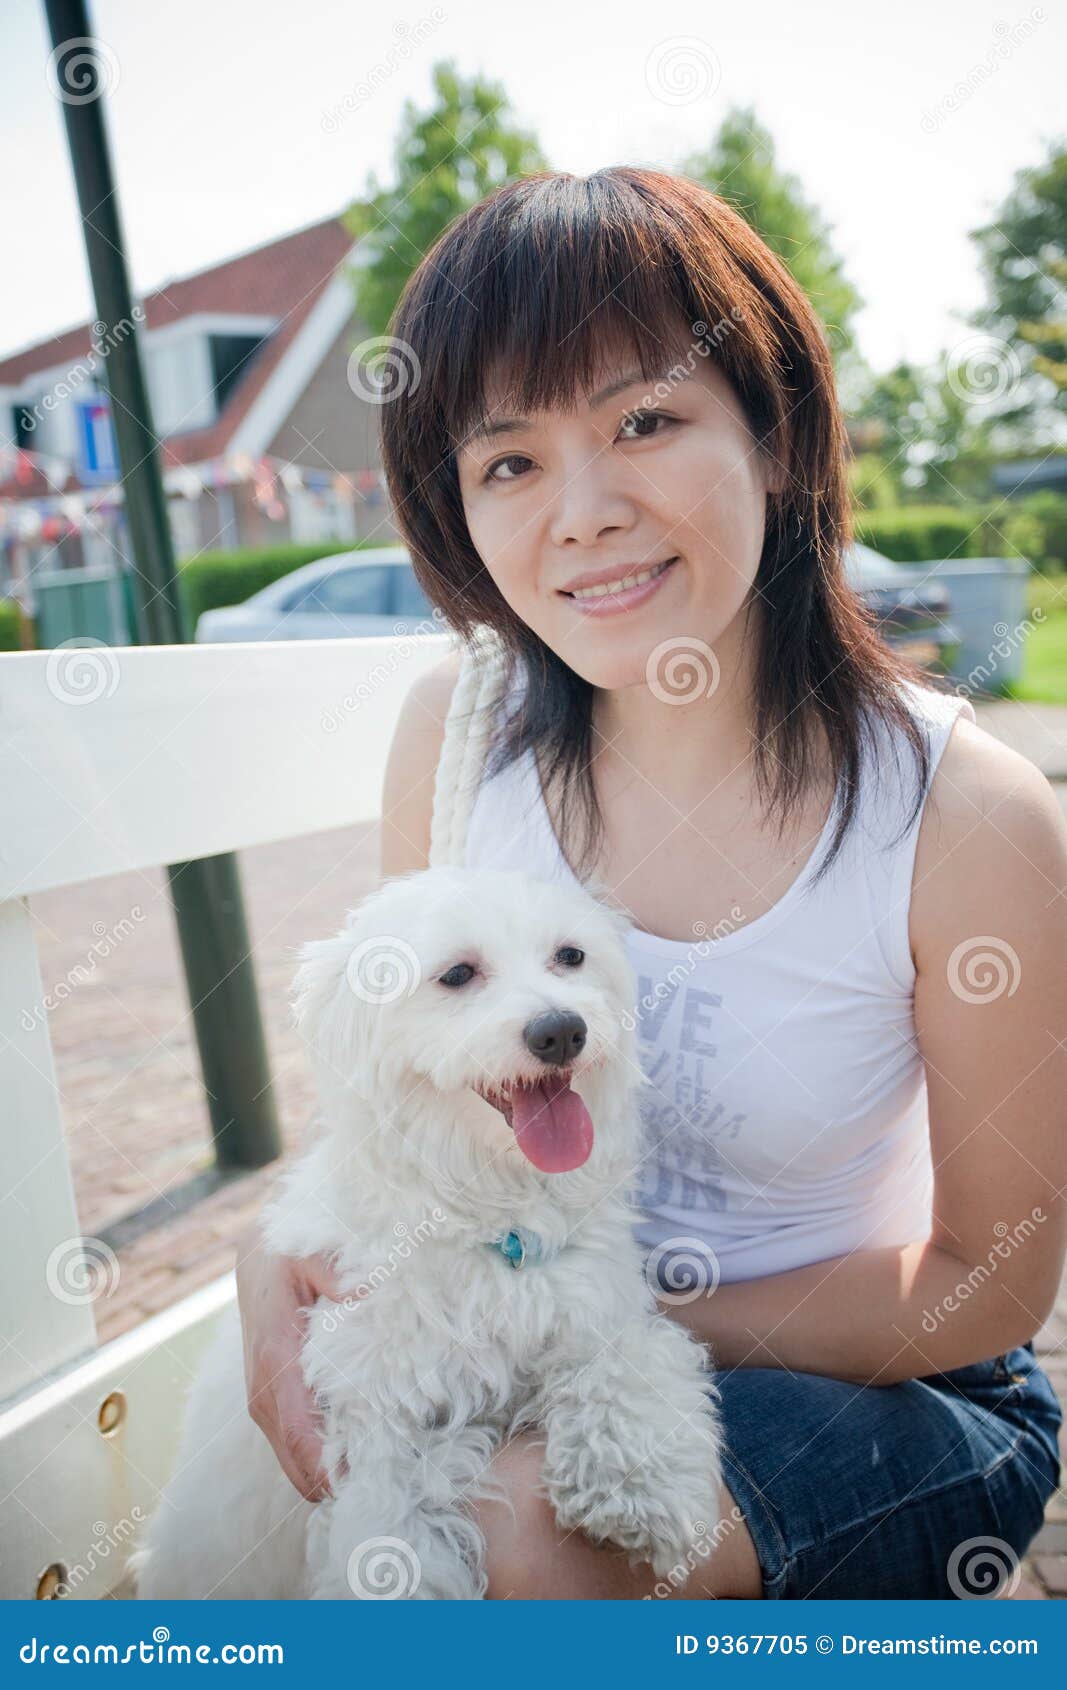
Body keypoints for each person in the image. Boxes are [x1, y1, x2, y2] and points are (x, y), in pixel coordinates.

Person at [235, 168, 1066, 1599]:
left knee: (512, 1528)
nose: (586, 512)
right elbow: (399, 1088)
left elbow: (987, 1284)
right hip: (523, 1337)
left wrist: (599, 1321)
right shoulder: (459, 738)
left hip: (891, 1387)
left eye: (644, 422)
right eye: (509, 463)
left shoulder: (966, 814)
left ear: (777, 437)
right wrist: (278, 1257)